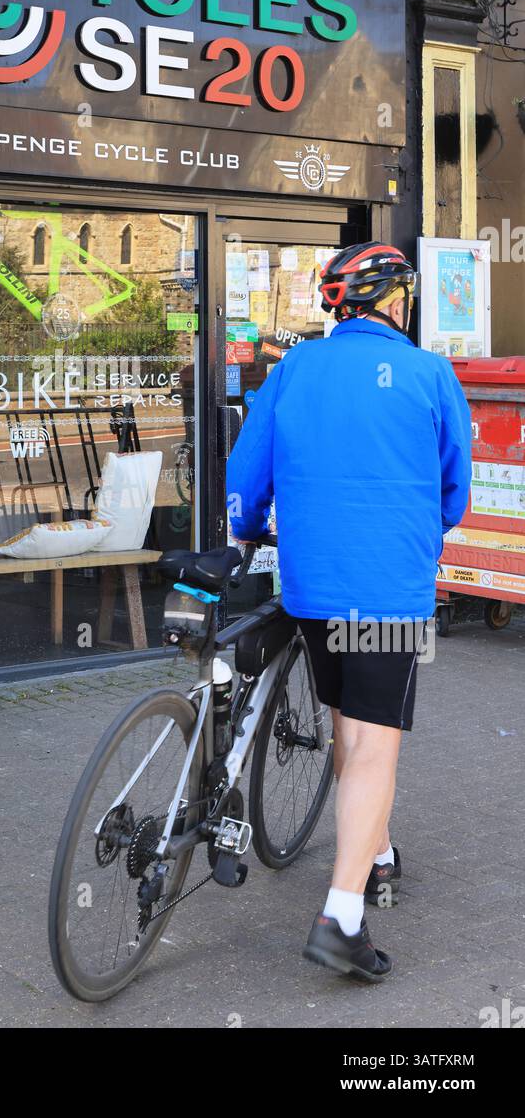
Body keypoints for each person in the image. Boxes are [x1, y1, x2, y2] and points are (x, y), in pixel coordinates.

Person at [226, 242, 471, 980]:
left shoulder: (295, 366)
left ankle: (379, 851)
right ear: (395, 302)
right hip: (386, 588)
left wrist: (249, 527)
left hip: (310, 582)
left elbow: (246, 473)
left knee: (346, 722)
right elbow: (453, 488)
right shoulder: (428, 373)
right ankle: (342, 916)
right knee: (374, 744)